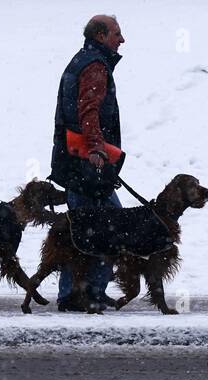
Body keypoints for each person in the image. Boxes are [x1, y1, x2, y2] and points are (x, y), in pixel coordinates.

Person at [50, 15, 126, 311]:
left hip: (75, 160)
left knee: (85, 227)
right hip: (87, 162)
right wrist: (96, 147)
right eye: (117, 33)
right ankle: (78, 293)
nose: (122, 40)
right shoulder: (94, 65)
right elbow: (89, 110)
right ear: (100, 35)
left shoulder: (84, 60)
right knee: (102, 226)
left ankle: (85, 290)